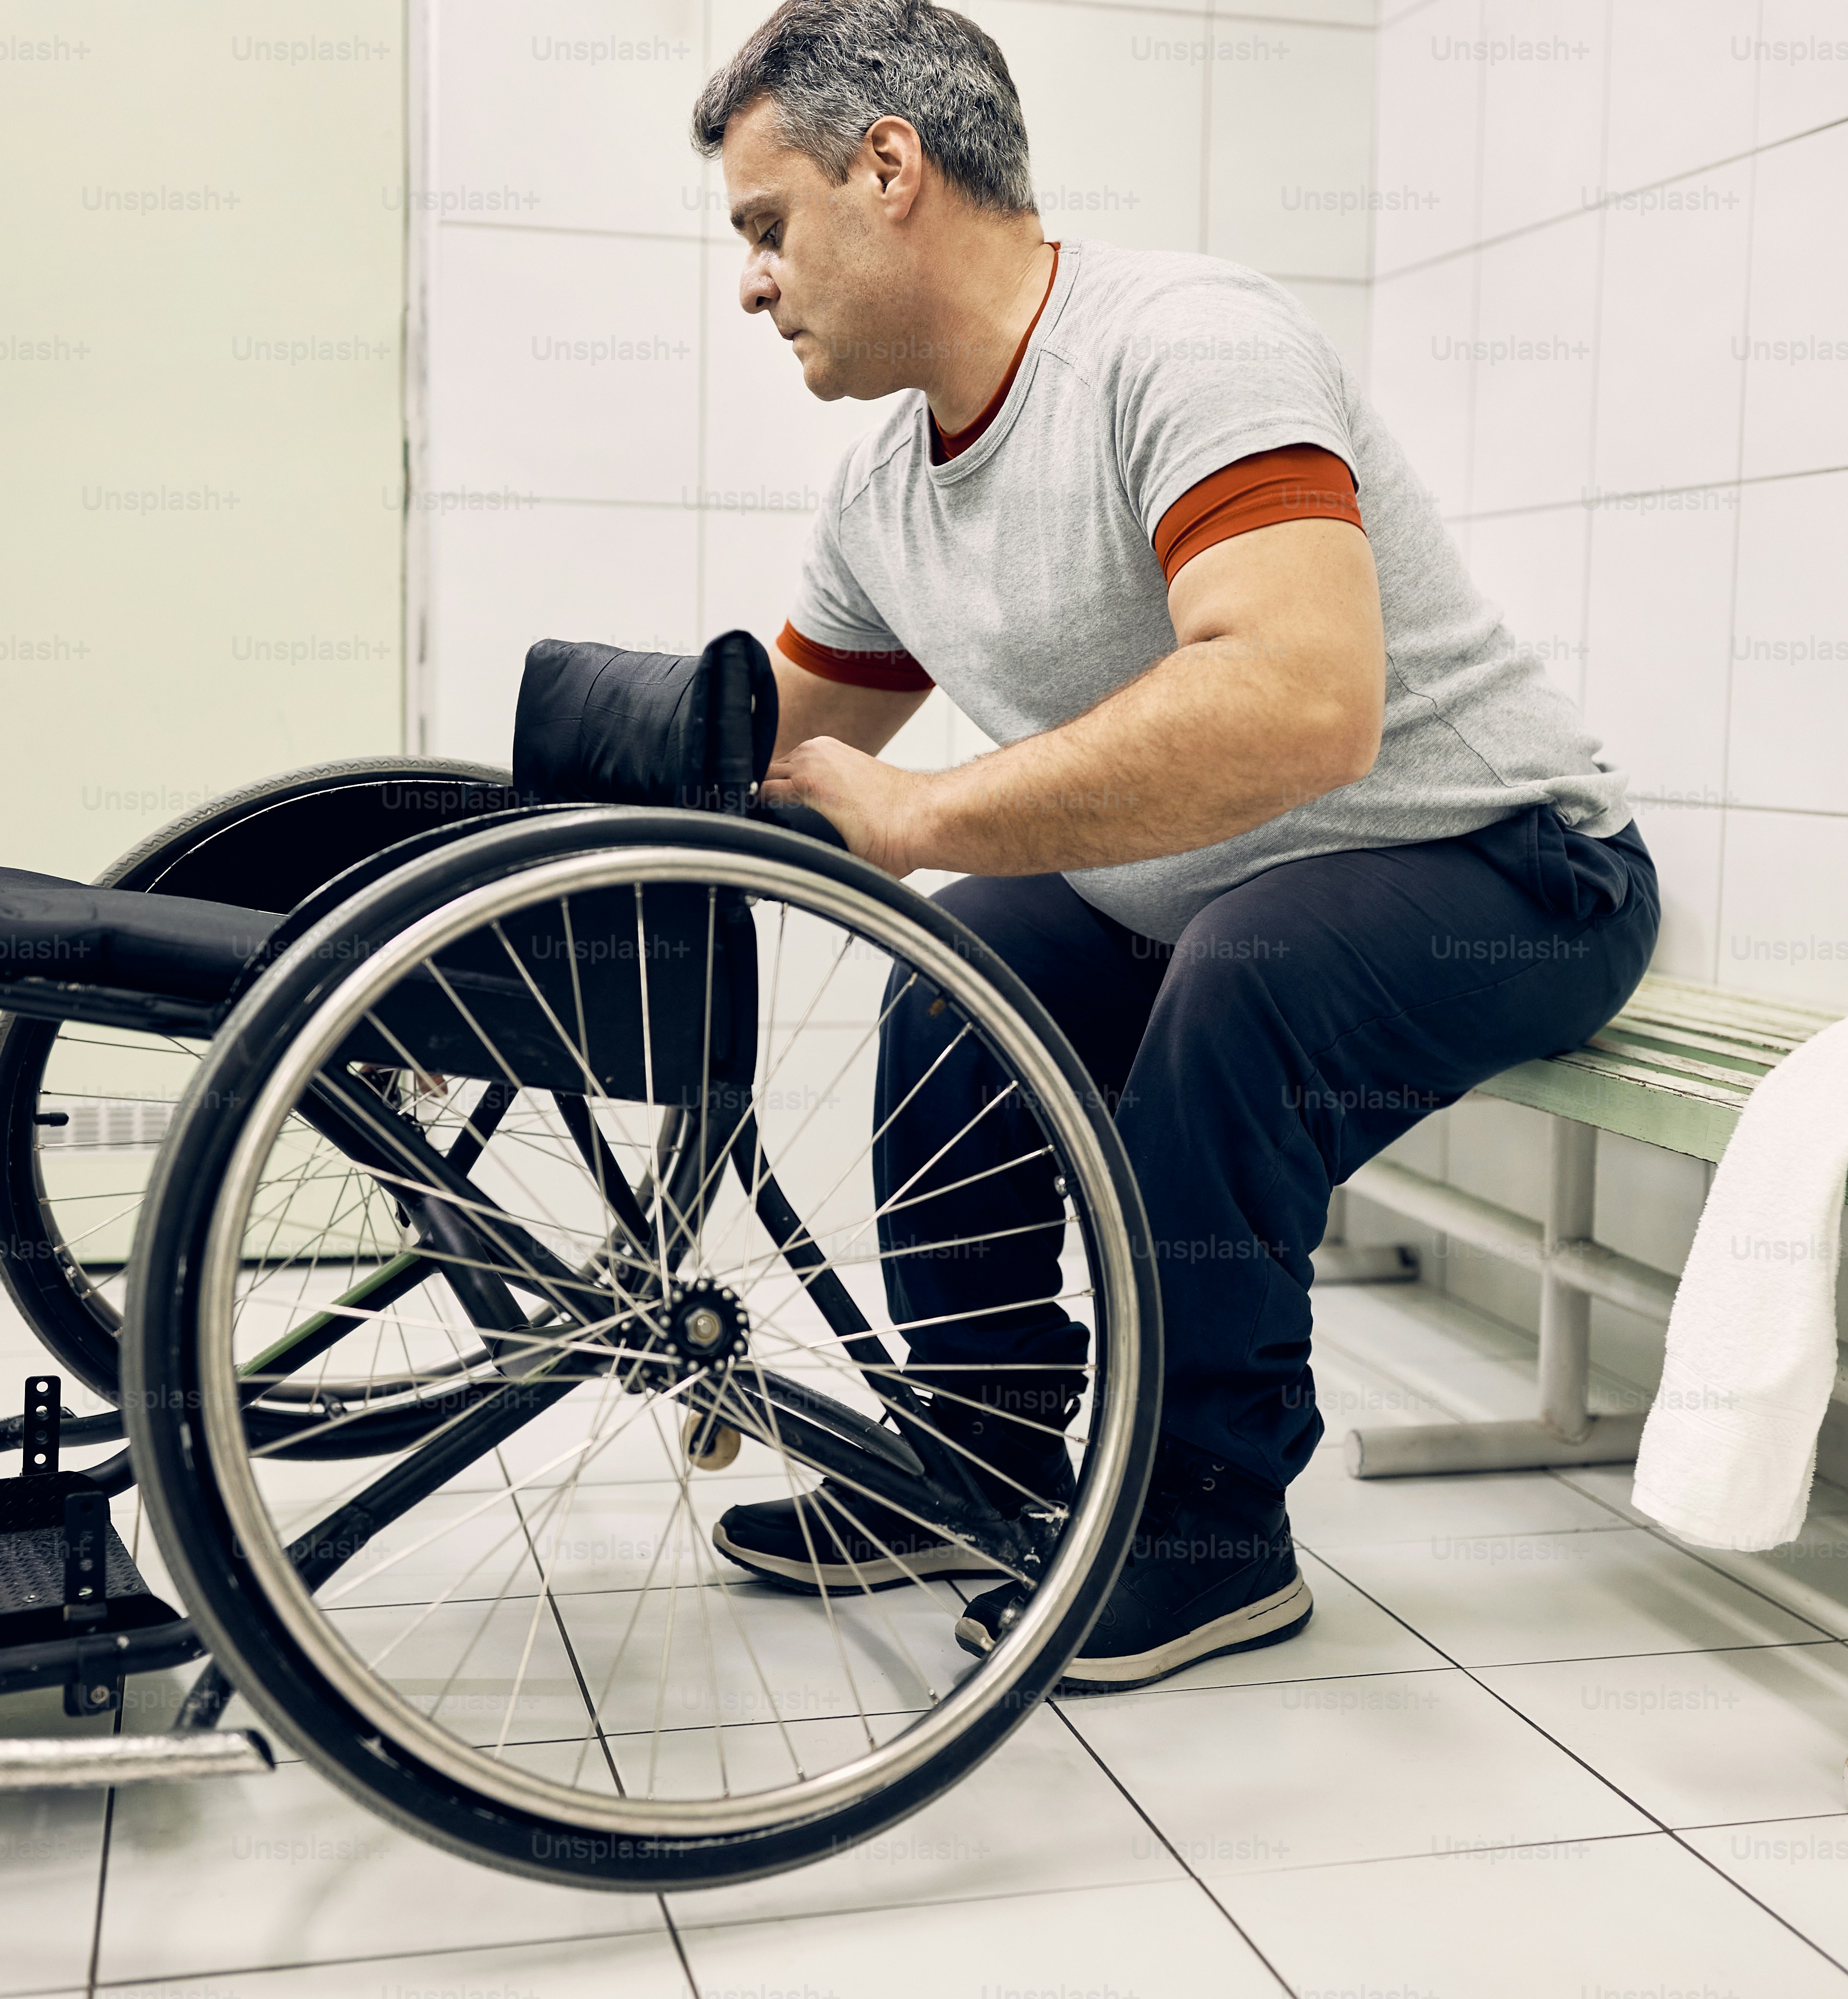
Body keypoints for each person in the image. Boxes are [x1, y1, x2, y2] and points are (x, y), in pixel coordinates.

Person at [693, 0, 1657, 1688]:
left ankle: (1213, 1533)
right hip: (1221, 873)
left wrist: (926, 813)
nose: (753, 281)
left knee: (1242, 988)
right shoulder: (883, 496)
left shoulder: (1184, 345)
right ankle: (984, 1461)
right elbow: (768, 749)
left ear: (890, 167)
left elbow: (1302, 706)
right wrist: (499, 836)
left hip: (1511, 866)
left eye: (768, 227)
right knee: (961, 979)